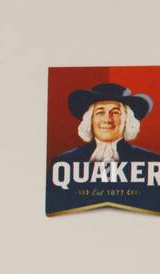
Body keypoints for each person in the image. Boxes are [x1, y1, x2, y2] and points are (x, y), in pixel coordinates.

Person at [46, 81, 160, 214]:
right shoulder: (64, 163)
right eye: (100, 112)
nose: (107, 119)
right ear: (90, 119)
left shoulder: (151, 163)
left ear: (127, 120)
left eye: (116, 112)